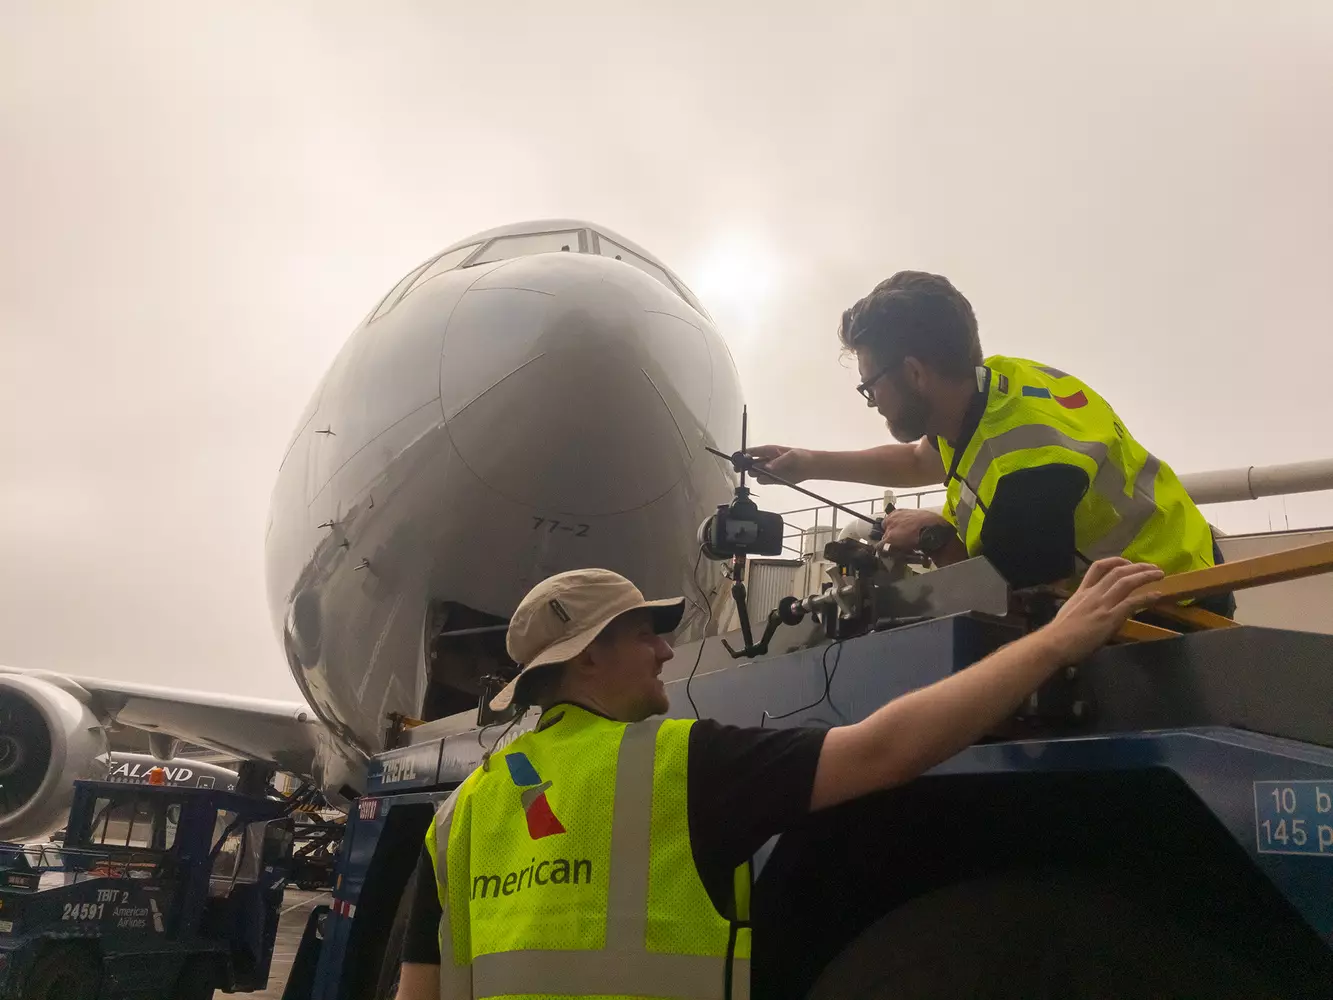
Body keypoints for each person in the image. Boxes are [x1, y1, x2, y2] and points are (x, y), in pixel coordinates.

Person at [395, 558, 1164, 1000]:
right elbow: (883, 752)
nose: (666, 653)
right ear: (587, 658)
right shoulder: (678, 763)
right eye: (643, 636)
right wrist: (1055, 642)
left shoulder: (460, 814)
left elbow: (418, 995)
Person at [750, 270, 1234, 617]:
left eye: (869, 385)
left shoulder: (1030, 466)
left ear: (916, 373)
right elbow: (923, 459)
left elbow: (1010, 598)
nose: (871, 401)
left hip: (1172, 605)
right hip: (1165, 574)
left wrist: (934, 535)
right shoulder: (988, 387)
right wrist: (808, 463)